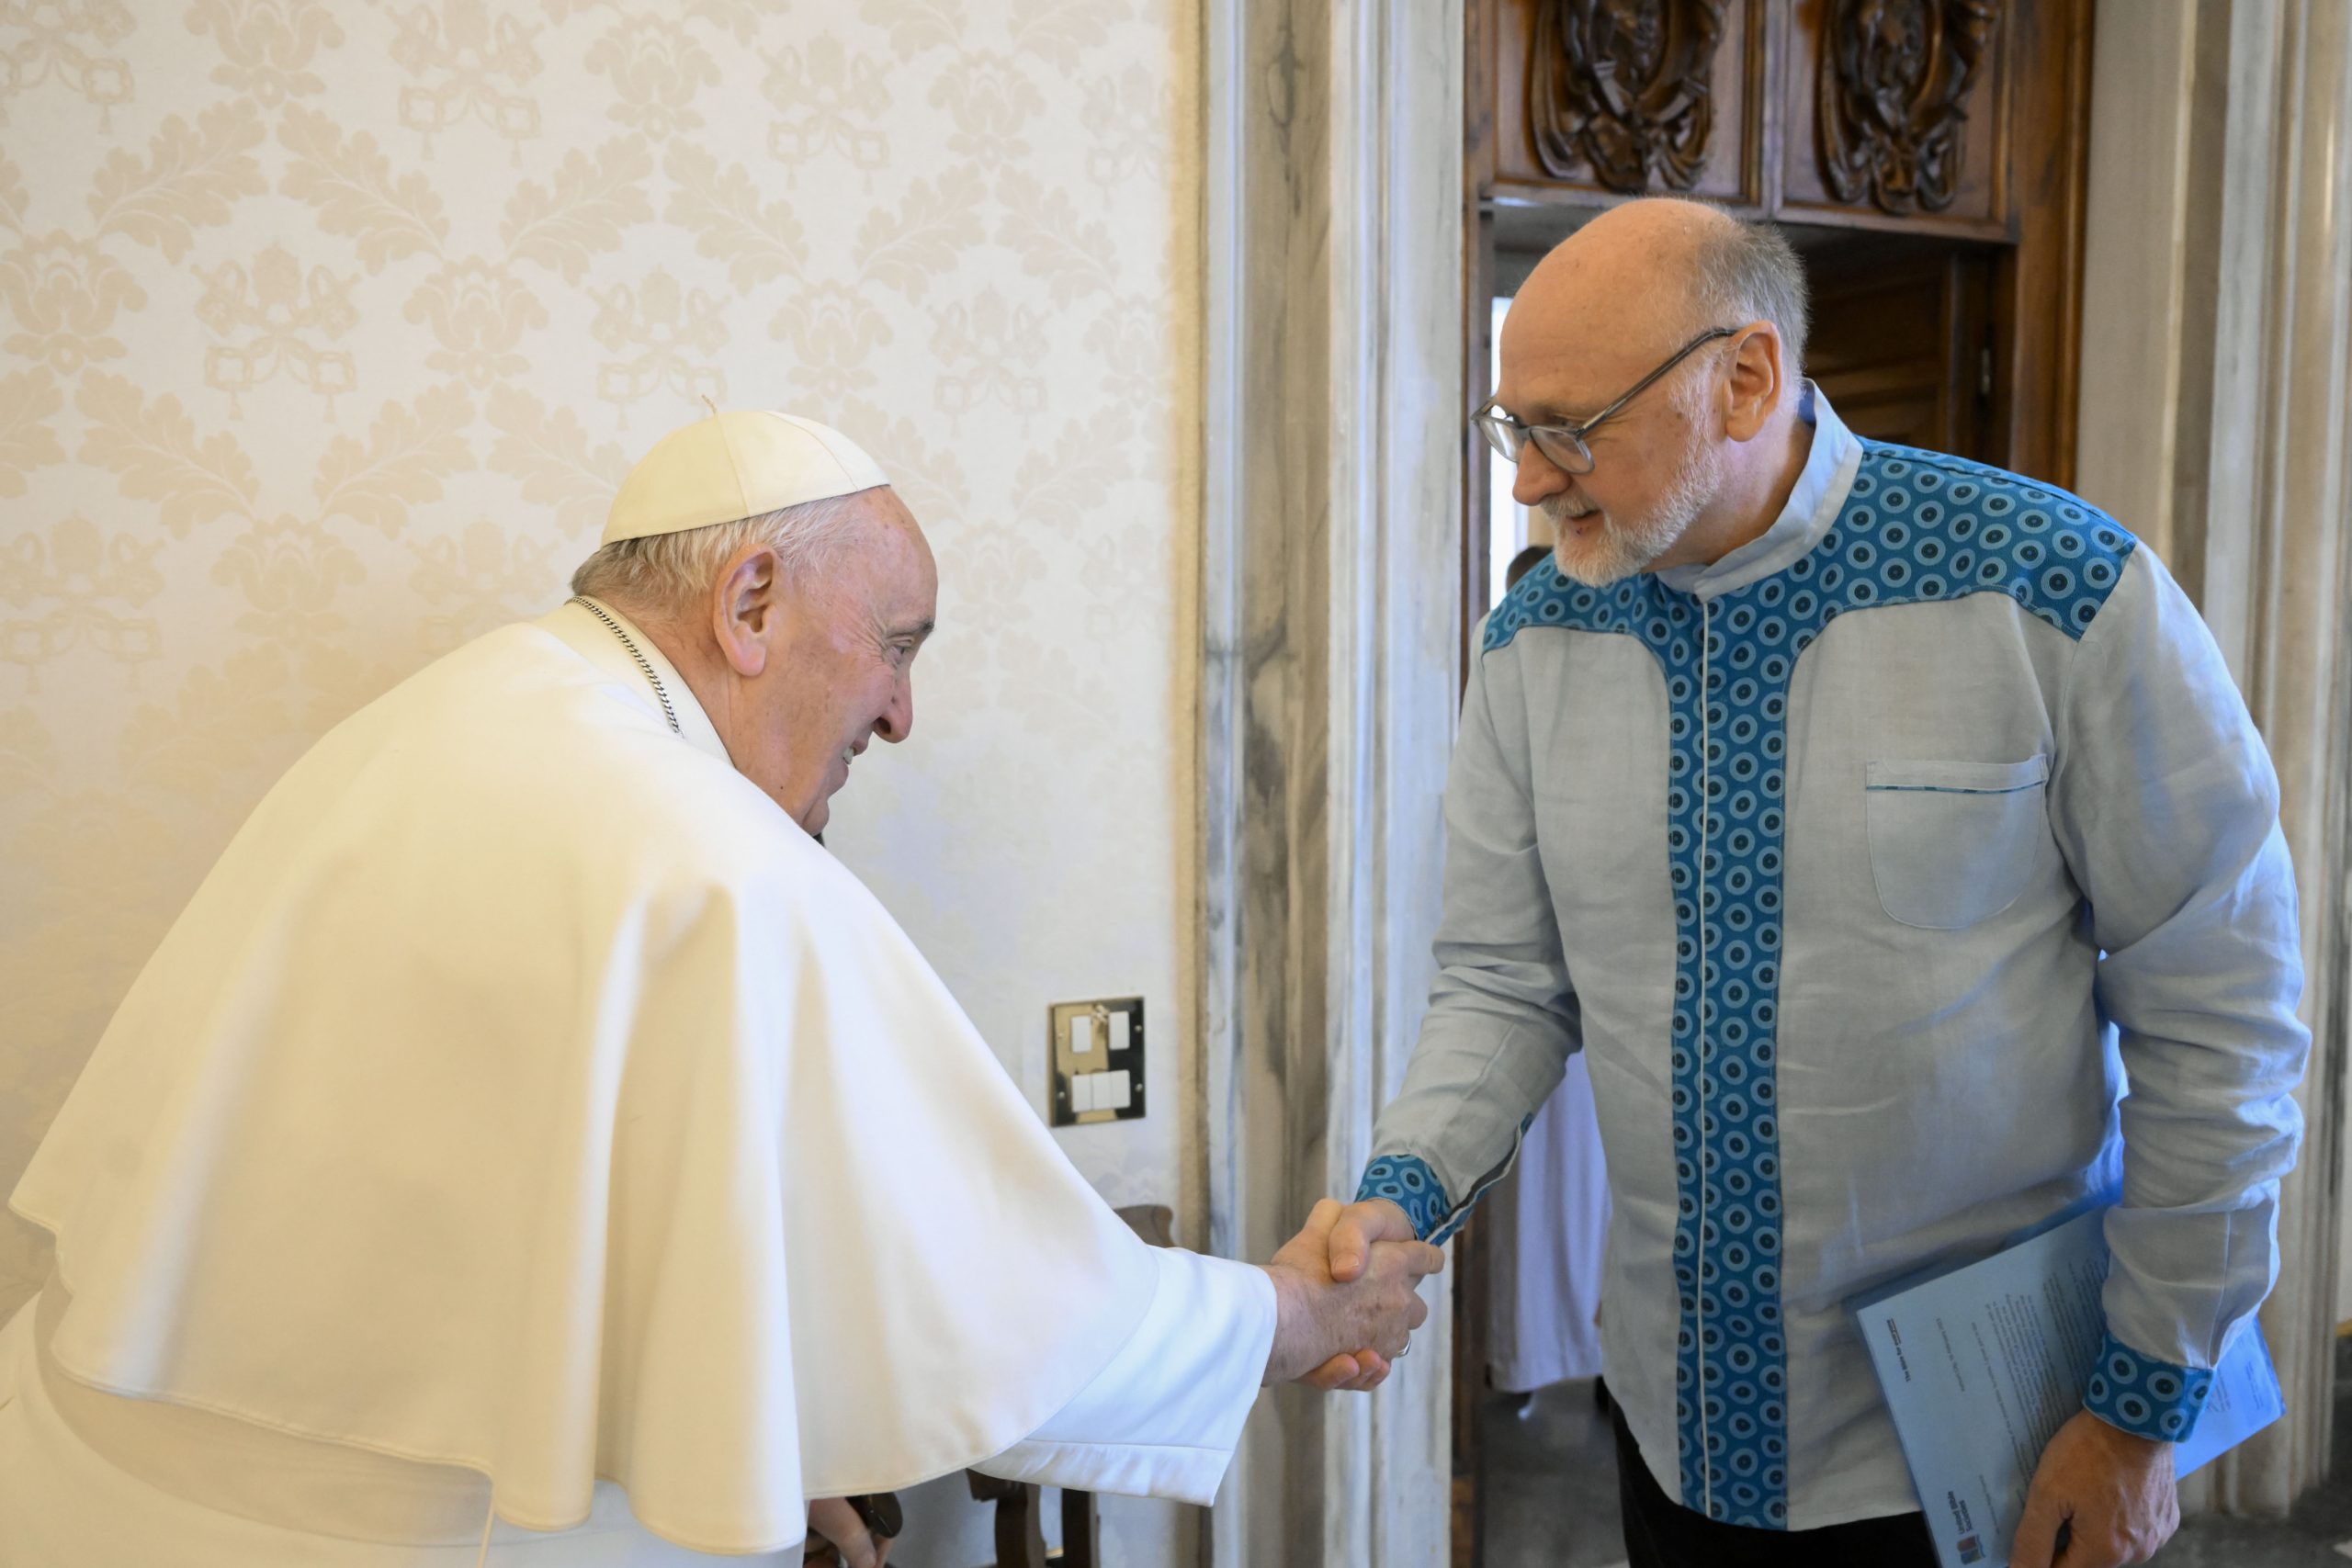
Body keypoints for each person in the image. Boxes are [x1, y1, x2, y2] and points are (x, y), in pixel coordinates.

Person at [0, 408, 1442, 1567]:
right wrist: (1299, 1318)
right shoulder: (708, 855)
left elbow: (603, 1231)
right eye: (896, 645)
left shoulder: (459, 710)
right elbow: (1000, 1301)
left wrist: (759, 1445)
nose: (901, 712)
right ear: (750, 598)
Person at [1299, 197, 2309, 1568]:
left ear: (1747, 377)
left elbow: (2223, 1022)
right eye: (1511, 429)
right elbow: (1504, 984)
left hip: (1996, 1445)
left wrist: (2140, 1410)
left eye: (1570, 428)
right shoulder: (1539, 636)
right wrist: (1394, 1203)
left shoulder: (2054, 590)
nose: (1530, 482)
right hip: (1668, 1424)